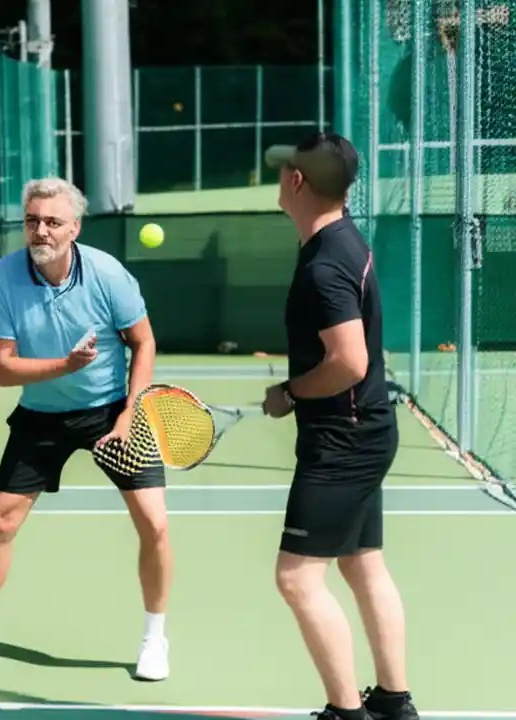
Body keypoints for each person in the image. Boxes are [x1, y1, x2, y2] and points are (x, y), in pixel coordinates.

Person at [0, 177, 171, 682]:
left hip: (112, 410)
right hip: (41, 412)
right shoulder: (1, 279)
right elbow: (1, 370)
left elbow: (143, 343)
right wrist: (66, 365)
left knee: (155, 524)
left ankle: (155, 639)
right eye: (32, 221)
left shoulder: (107, 274)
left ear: (74, 228)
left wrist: (130, 413)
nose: (41, 231)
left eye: (53, 222)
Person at [262, 133, 418, 720]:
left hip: (343, 442)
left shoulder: (325, 264)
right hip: (367, 429)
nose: (280, 180)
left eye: (284, 172)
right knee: (362, 562)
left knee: (297, 579)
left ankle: (346, 712)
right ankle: (395, 703)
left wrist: (290, 393)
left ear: (298, 182)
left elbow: (348, 362)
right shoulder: (342, 242)